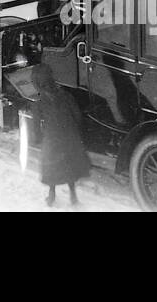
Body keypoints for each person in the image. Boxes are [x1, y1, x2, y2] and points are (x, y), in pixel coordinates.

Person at [31, 64, 90, 207]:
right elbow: (77, 115)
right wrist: (75, 131)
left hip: (52, 137)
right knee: (69, 165)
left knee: (52, 166)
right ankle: (73, 196)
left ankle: (51, 195)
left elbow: (35, 123)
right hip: (69, 135)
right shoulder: (66, 95)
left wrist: (38, 138)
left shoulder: (39, 101)